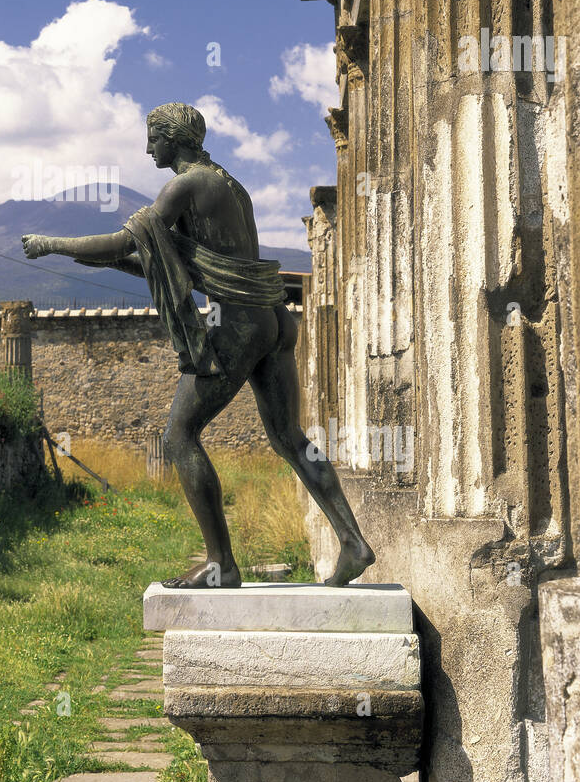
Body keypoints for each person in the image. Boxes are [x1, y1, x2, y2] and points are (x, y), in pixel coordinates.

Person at [22, 102, 375, 588]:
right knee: (289, 438)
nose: (148, 148)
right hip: (272, 317)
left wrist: (51, 244)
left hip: (237, 322)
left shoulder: (185, 186)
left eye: (153, 138)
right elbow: (161, 261)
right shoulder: (231, 185)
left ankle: (221, 565)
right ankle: (353, 543)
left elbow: (122, 245)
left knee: (179, 437)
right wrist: (106, 258)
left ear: (175, 137)